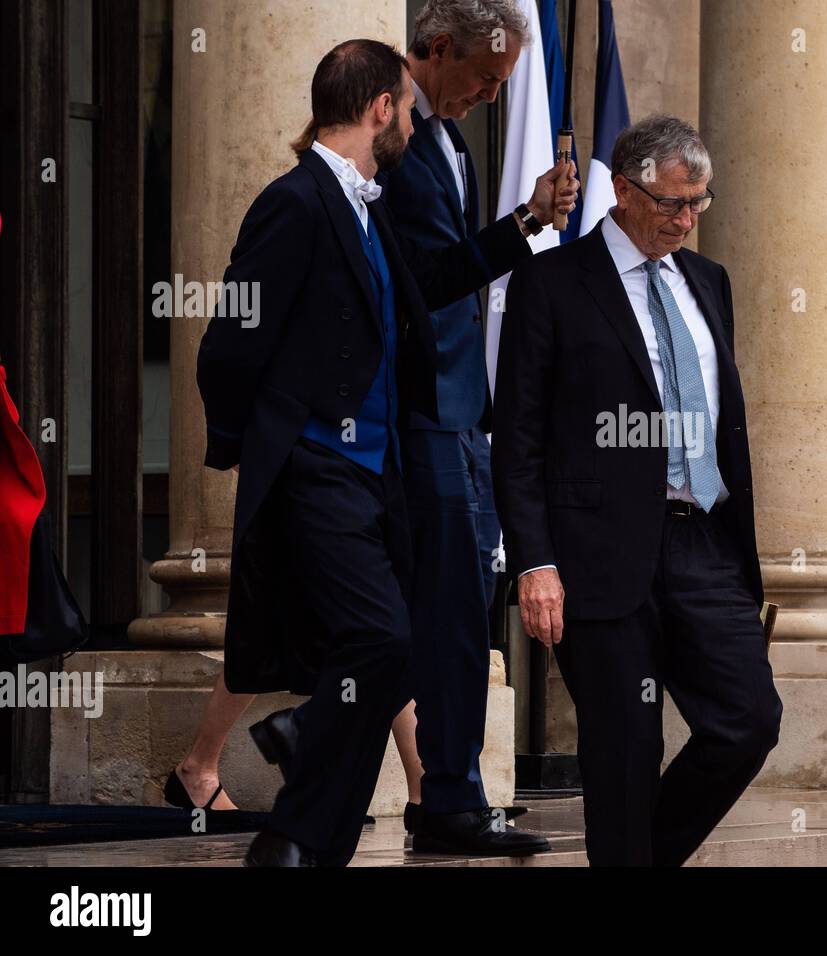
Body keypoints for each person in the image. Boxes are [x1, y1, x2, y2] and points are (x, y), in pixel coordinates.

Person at [196, 37, 576, 867]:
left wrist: (525, 224)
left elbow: (430, 291)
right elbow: (230, 345)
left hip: (376, 474)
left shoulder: (367, 209)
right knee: (381, 642)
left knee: (394, 644)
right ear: (380, 109)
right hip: (316, 467)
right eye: (405, 107)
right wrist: (251, 447)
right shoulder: (294, 204)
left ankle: (303, 830)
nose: (416, 119)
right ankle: (297, 811)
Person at [492, 114, 783, 867]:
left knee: (748, 720)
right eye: (670, 203)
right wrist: (533, 561)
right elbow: (518, 438)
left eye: (698, 204)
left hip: (700, 542)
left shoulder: (709, 282)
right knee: (625, 747)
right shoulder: (551, 282)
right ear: (621, 189)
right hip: (595, 553)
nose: (685, 220)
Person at [382, 0, 549, 856]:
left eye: (504, 84)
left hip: (462, 411)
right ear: (438, 48)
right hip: (419, 414)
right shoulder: (399, 135)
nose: (492, 97)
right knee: (444, 613)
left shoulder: (448, 143)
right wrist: (522, 227)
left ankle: (432, 786)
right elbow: (432, 278)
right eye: (486, 78)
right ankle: (449, 798)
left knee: (451, 611)